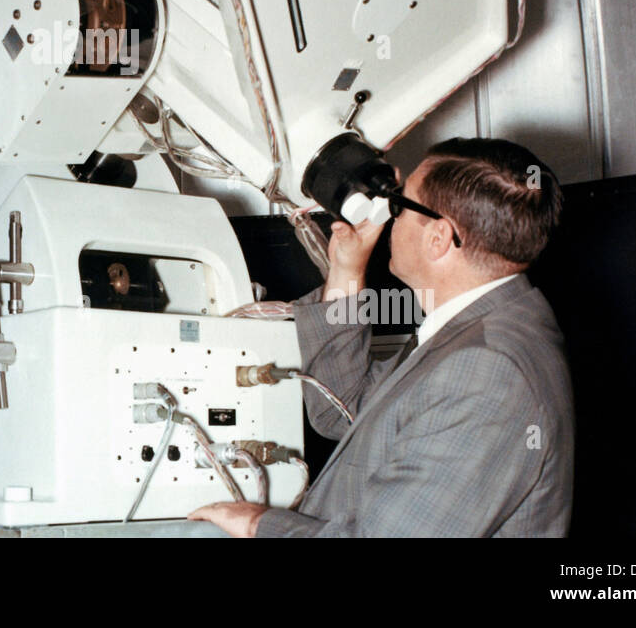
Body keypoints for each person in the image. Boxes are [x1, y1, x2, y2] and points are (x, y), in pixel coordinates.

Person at [190, 137, 572, 537]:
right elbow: (341, 409)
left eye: (400, 203)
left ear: (438, 239)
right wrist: (347, 270)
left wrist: (257, 524)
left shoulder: (487, 370)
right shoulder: (483, 327)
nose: (389, 215)